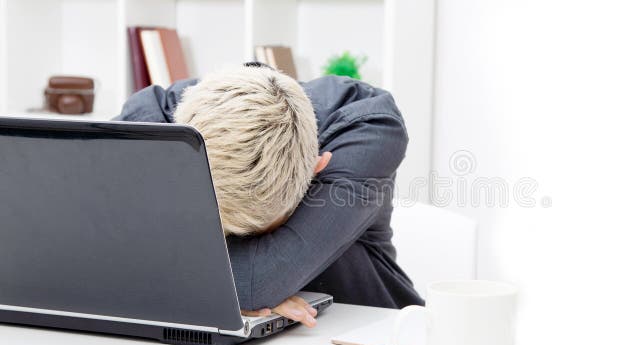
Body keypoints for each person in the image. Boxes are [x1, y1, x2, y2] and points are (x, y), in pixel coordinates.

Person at [116, 63, 424, 328]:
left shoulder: (369, 129)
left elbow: (258, 281)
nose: (239, 243)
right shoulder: (171, 122)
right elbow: (77, 250)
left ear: (317, 167)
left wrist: (144, 267)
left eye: (262, 236)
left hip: (372, 335)